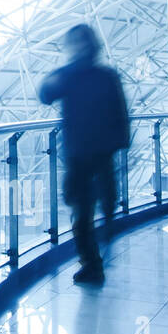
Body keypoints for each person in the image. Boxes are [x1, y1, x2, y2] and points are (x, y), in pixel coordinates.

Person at [38, 23, 129, 285]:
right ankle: (95, 256)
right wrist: (119, 144)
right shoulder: (101, 75)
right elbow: (120, 112)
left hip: (83, 155)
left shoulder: (71, 74)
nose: (77, 46)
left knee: (81, 212)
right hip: (95, 154)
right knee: (87, 208)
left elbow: (46, 94)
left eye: (79, 42)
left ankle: (92, 264)